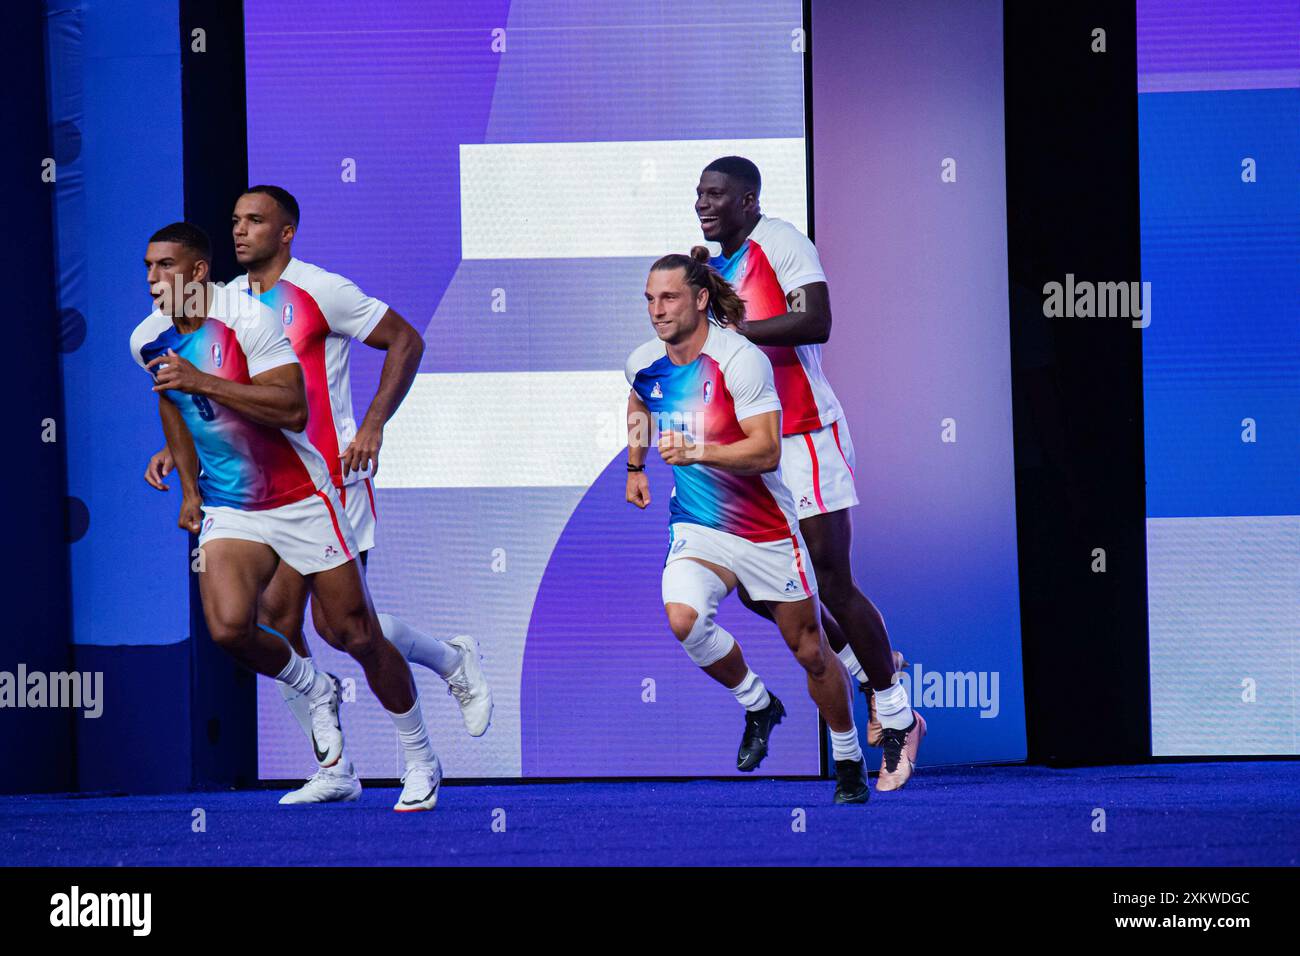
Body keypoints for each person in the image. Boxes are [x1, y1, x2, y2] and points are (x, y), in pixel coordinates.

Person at [146, 187, 492, 805]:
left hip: (330, 477)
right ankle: (336, 767)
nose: (241, 231)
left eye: (255, 221)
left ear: (287, 232)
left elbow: (406, 342)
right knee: (278, 623)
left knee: (345, 629)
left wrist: (374, 425)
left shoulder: (318, 290)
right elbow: (206, 394)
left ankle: (443, 675)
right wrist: (183, 450)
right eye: (234, 220)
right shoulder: (219, 303)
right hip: (255, 491)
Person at [694, 156, 923, 790]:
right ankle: (864, 667)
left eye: (715, 195)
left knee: (831, 581)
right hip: (753, 447)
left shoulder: (782, 241)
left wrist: (735, 328)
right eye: (698, 194)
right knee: (760, 587)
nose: (703, 204)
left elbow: (816, 321)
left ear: (748, 200)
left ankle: (897, 717)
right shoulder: (710, 270)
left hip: (805, 436)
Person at [625, 249, 868, 804]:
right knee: (683, 619)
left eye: (669, 298)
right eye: (650, 300)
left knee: (809, 649)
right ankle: (759, 703)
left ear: (701, 299)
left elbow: (764, 453)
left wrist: (696, 450)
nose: (657, 310)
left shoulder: (740, 360)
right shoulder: (643, 361)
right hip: (698, 526)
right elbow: (639, 397)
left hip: (765, 530)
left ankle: (850, 759)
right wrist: (636, 466)